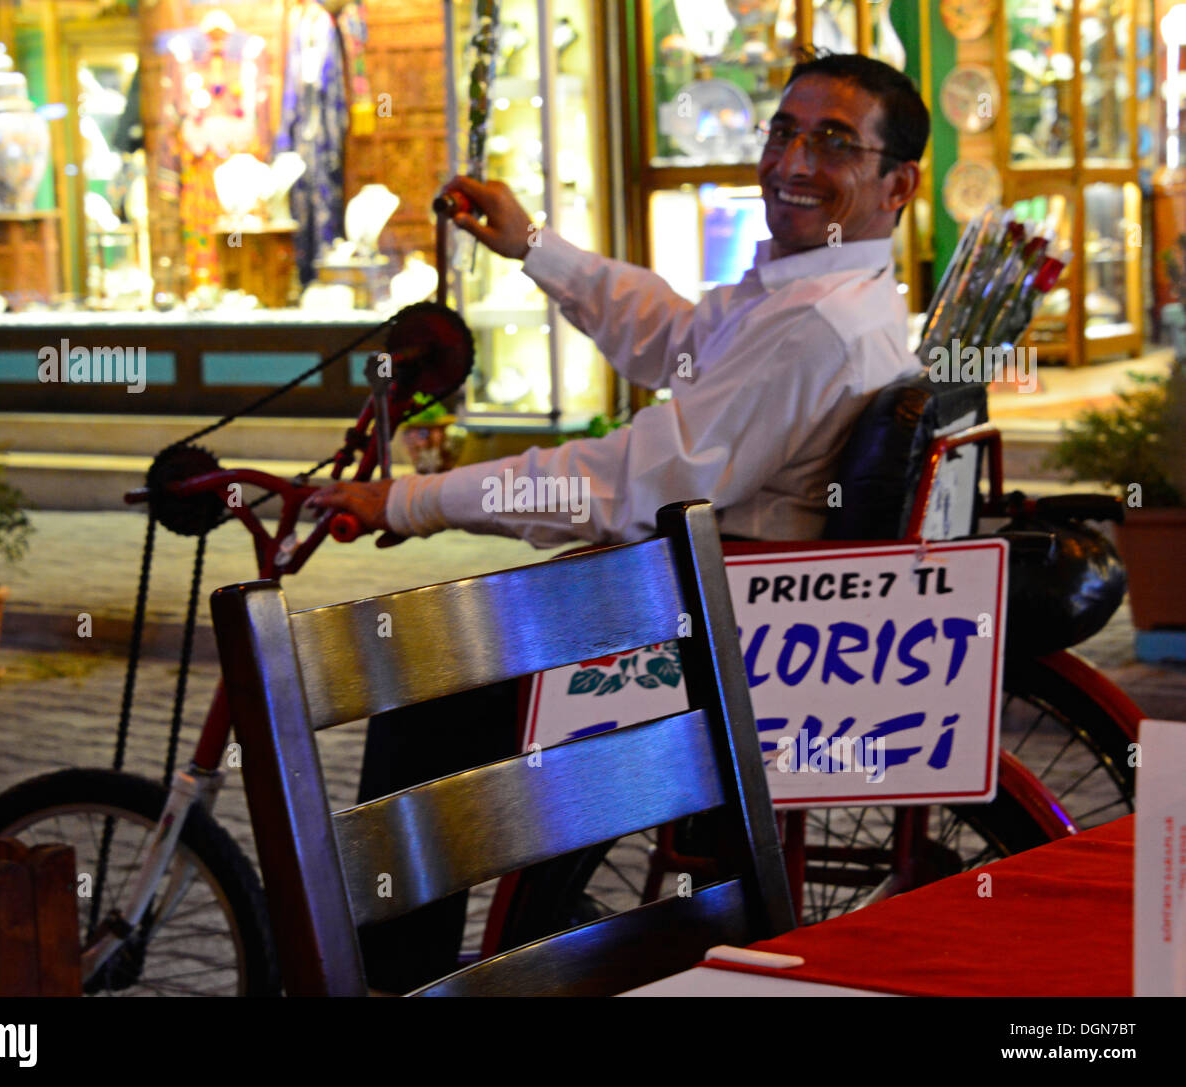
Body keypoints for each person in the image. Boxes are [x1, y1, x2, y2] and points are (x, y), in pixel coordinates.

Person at [309, 51, 930, 992]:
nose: (793, 161)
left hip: (714, 631)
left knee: (425, 693)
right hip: (712, 599)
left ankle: (397, 978)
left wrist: (413, 500)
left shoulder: (818, 323)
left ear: (898, 184)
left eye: (834, 142)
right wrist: (533, 246)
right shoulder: (820, 294)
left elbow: (626, 483)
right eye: (784, 132)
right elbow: (678, 338)